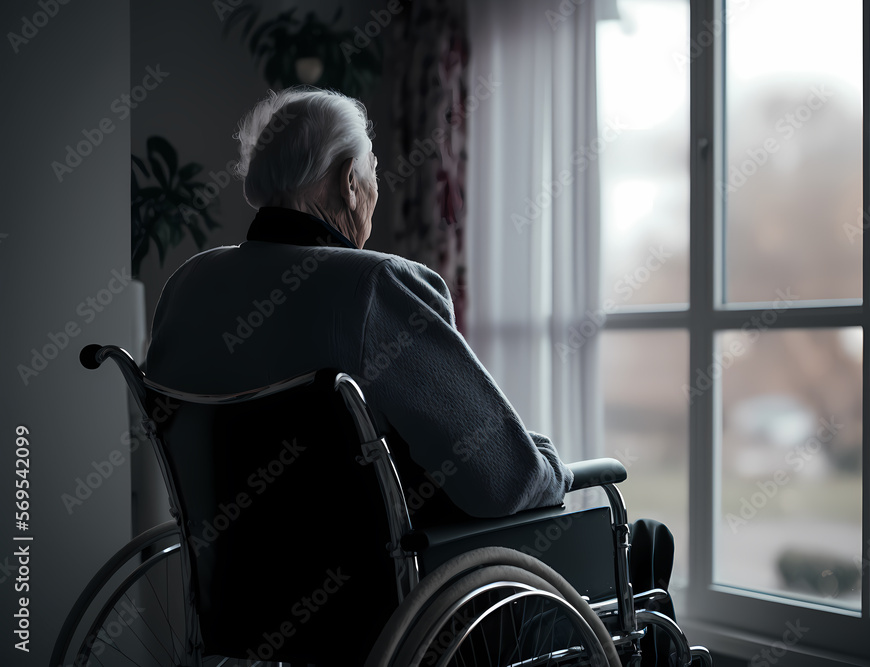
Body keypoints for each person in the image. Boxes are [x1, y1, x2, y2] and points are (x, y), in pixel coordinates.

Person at [144, 85, 674, 664]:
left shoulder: (187, 288)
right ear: (349, 180)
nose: (375, 189)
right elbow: (502, 482)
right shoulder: (372, 288)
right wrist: (546, 463)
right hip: (394, 614)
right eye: (373, 172)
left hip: (242, 600)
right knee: (641, 546)